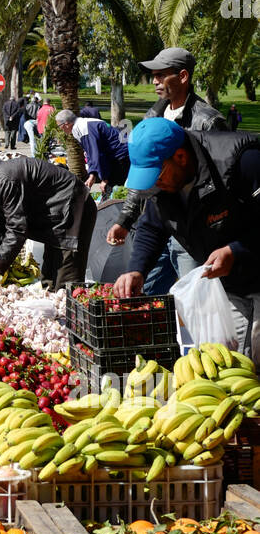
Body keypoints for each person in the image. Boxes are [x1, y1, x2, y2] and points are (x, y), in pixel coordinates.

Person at [111, 118, 260, 361]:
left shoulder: (244, 161)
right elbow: (152, 225)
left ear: (180, 157)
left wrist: (236, 251)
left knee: (252, 362)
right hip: (228, 284)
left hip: (254, 274)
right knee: (230, 364)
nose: (154, 183)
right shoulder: (164, 185)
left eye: (157, 174)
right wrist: (137, 270)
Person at [105, 47, 226, 291]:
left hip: (191, 232)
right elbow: (143, 171)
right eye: (154, 75)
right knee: (146, 290)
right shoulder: (152, 116)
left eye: (161, 74)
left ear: (183, 76)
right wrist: (126, 219)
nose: (155, 81)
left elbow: (219, 184)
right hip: (157, 223)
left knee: (193, 300)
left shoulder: (208, 121)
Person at [0, 148, 97, 291]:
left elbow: (17, 229)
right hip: (55, 216)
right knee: (49, 279)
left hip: (74, 208)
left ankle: (68, 313)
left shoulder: (4, 181)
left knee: (65, 282)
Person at [55, 109, 129, 193]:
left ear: (66, 124)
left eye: (59, 126)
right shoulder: (81, 125)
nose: (60, 129)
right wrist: (92, 174)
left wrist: (105, 178)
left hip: (120, 156)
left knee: (109, 190)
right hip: (118, 155)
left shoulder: (83, 128)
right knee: (109, 190)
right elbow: (90, 153)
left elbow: (96, 154)